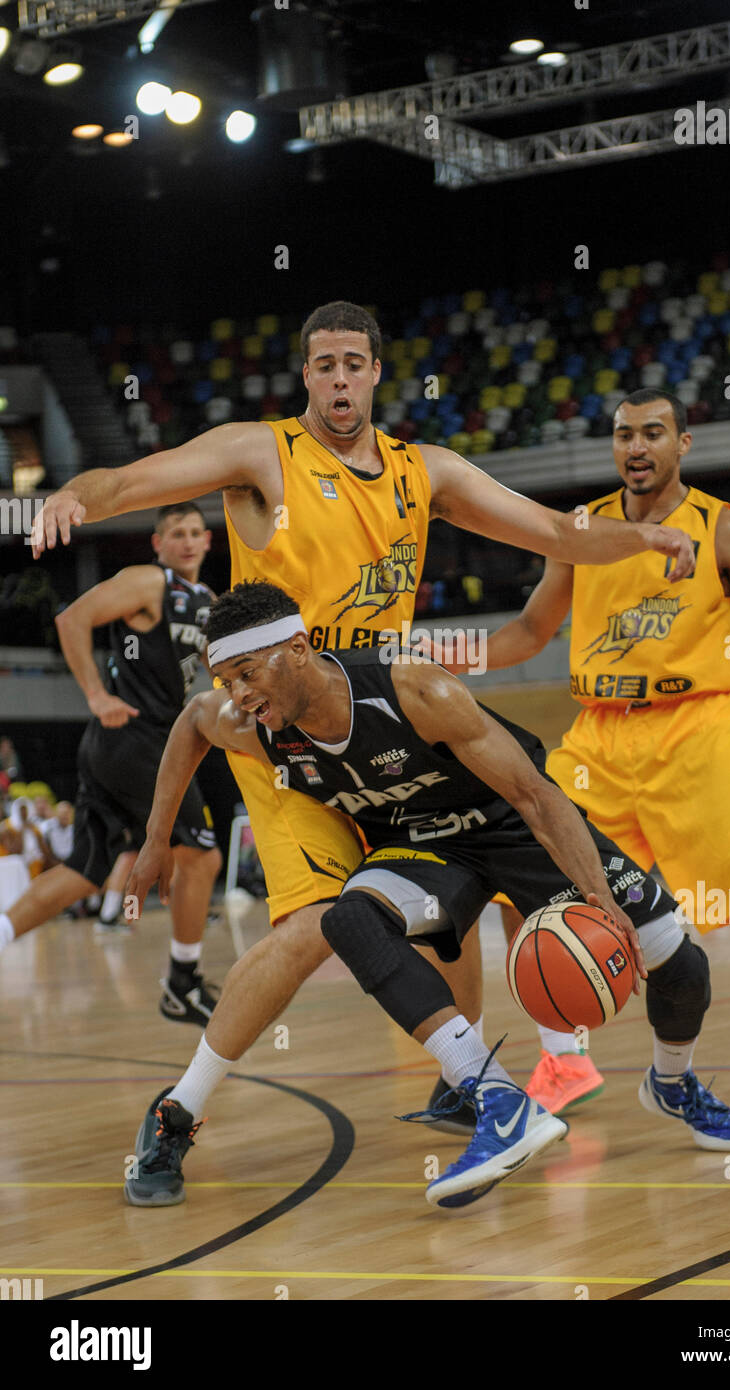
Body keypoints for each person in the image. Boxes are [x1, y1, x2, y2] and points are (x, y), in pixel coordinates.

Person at [31, 300, 696, 1130]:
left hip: (383, 721)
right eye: (323, 365)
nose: (339, 378)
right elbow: (130, 481)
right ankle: (179, 1112)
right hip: (282, 734)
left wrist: (647, 538)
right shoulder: (261, 452)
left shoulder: (429, 472)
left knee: (453, 901)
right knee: (316, 927)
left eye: (354, 363)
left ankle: (469, 1085)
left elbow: (560, 533)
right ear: (305, 374)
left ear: (378, 372)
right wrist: (70, 497)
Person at [124, 581, 730, 1210]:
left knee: (681, 964)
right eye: (225, 679)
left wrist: (599, 897)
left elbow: (535, 797)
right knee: (350, 921)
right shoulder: (251, 723)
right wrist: (156, 839)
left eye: (245, 672)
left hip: (509, 826)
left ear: (296, 647)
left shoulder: (412, 689)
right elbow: (190, 724)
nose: (237, 694)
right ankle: (497, 1098)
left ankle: (673, 1082)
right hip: (423, 848)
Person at [475, 387, 730, 1112]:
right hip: (600, 732)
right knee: (522, 868)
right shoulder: (582, 530)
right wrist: (441, 657)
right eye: (624, 435)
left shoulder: (729, 532)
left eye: (653, 433)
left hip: (701, 723)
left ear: (683, 443)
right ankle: (565, 1061)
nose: (636, 447)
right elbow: (529, 633)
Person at [0, 503, 222, 1024]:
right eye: (176, 533)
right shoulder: (149, 582)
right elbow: (71, 618)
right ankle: (182, 982)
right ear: (158, 543)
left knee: (84, 870)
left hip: (122, 748)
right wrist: (96, 695)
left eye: (196, 532)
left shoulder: (208, 603)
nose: (187, 541)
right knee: (204, 857)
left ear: (208, 542)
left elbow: (218, 670)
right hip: (136, 741)